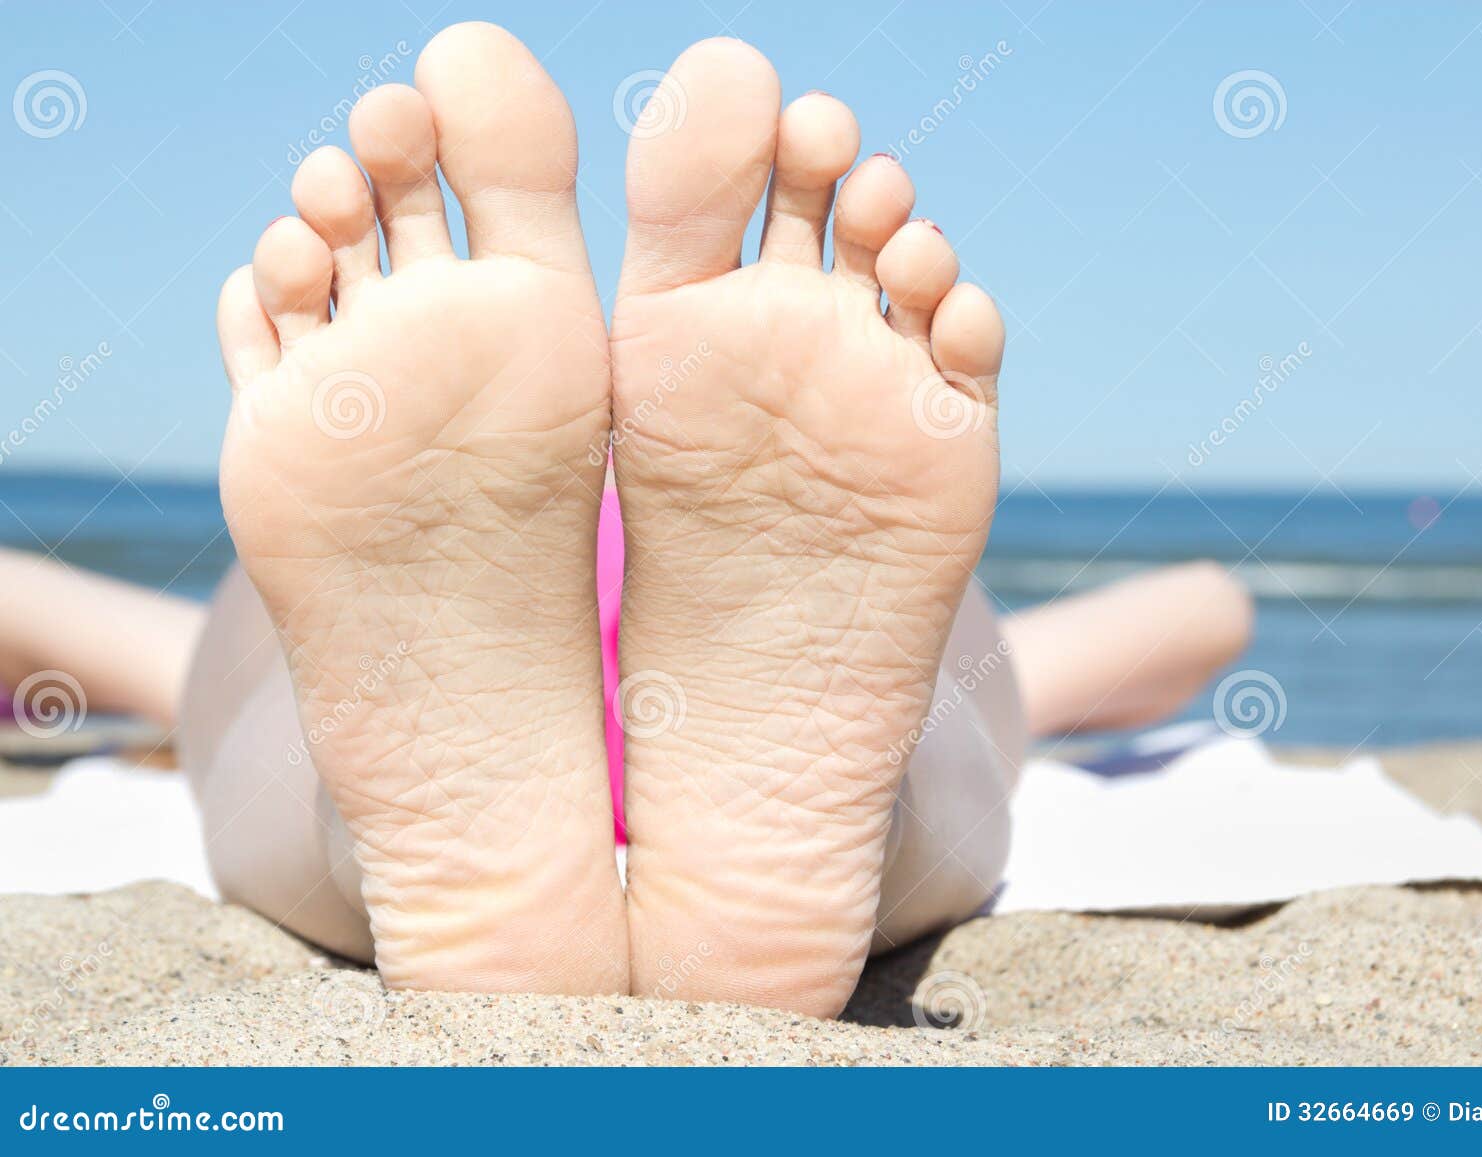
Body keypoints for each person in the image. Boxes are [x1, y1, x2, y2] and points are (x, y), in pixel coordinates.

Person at [1, 23, 1252, 1019]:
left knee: (243, 696)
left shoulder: (368, 524)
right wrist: (1191, 624)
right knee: (964, 709)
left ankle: (353, 840)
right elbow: (1202, 612)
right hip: (762, 635)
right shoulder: (853, 527)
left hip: (455, 641)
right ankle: (883, 831)